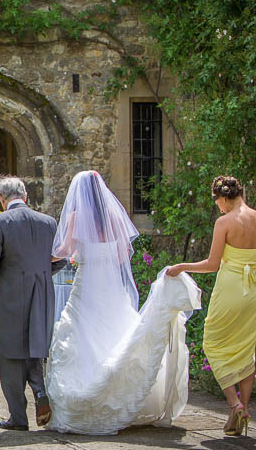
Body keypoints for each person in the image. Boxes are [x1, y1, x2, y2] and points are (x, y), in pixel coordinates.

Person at [44, 170, 202, 435]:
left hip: (87, 285)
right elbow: (121, 255)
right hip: (111, 286)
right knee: (116, 330)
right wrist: (97, 255)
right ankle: (123, 391)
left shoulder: (76, 217)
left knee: (81, 332)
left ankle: (89, 399)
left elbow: (63, 250)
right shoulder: (114, 217)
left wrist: (49, 256)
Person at [167, 175, 256, 436]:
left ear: (224, 197)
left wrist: (182, 266)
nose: (217, 207)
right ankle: (241, 413)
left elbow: (212, 264)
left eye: (216, 201)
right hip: (252, 292)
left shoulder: (224, 222)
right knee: (246, 350)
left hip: (229, 288)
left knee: (212, 343)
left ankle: (234, 403)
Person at [0, 176, 66, 430]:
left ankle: (18, 418)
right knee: (34, 346)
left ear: (1, 199)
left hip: (11, 295)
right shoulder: (48, 222)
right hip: (42, 293)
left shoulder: (0, 222)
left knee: (11, 354)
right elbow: (60, 258)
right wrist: (41, 275)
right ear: (25, 196)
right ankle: (40, 392)